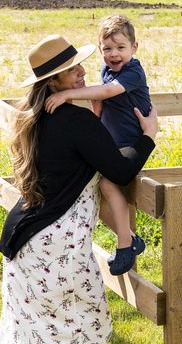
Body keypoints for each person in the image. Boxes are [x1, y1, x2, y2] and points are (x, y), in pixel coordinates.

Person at [0, 33, 158, 344]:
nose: (83, 72)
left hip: (23, 243)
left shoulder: (37, 116)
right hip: (54, 248)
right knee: (86, 328)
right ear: (56, 82)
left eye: (80, 66)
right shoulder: (74, 121)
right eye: (73, 69)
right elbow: (119, 167)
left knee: (28, 334)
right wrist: (148, 135)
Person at [44, 15, 152, 276]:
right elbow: (101, 103)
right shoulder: (107, 71)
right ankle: (129, 237)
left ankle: (125, 244)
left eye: (121, 48)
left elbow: (105, 93)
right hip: (112, 142)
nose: (114, 54)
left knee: (106, 184)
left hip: (131, 142)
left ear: (134, 48)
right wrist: (96, 119)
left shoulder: (133, 72)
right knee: (96, 187)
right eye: (107, 49)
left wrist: (67, 93)